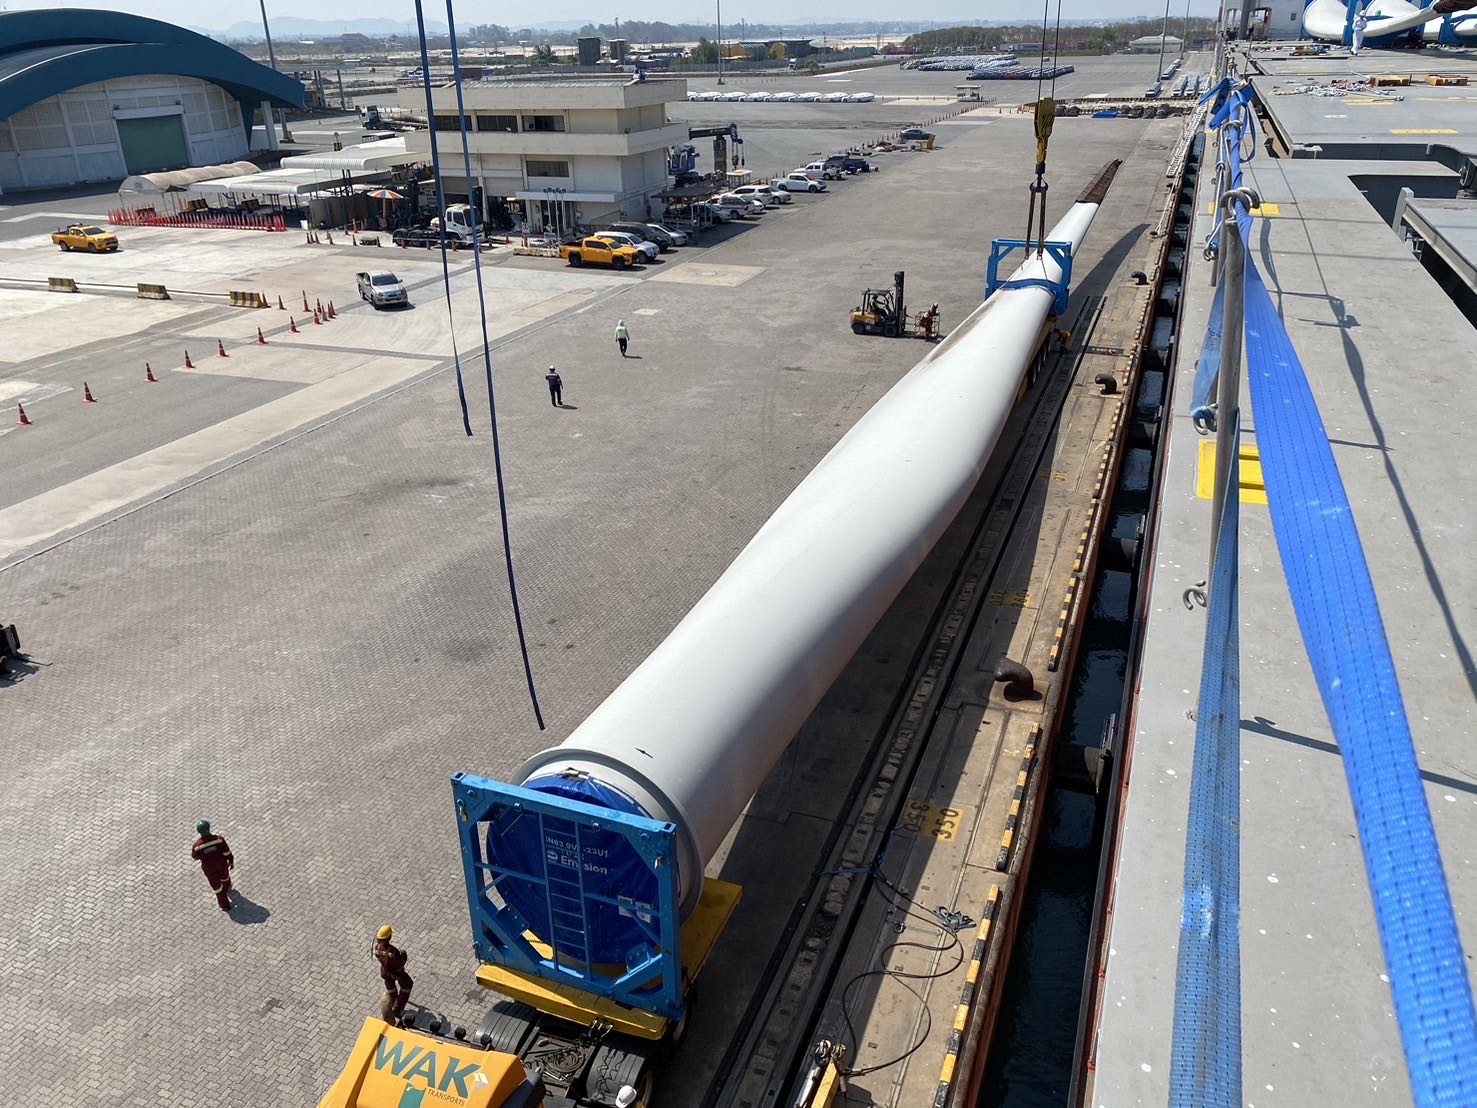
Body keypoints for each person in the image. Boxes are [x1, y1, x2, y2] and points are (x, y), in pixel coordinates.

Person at [190, 820, 234, 911]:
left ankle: (225, 904)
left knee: (217, 888)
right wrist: (231, 861)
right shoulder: (219, 840)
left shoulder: (197, 846)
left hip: (209, 869)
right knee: (225, 877)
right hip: (222, 864)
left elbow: (195, 857)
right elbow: (227, 852)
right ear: (209, 828)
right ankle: (227, 888)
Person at [374, 925, 415, 1021]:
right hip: (397, 973)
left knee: (391, 988)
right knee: (407, 985)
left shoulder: (377, 948)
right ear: (389, 937)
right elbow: (400, 963)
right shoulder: (393, 951)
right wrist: (404, 956)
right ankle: (397, 1008)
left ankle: (393, 1001)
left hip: (385, 972)